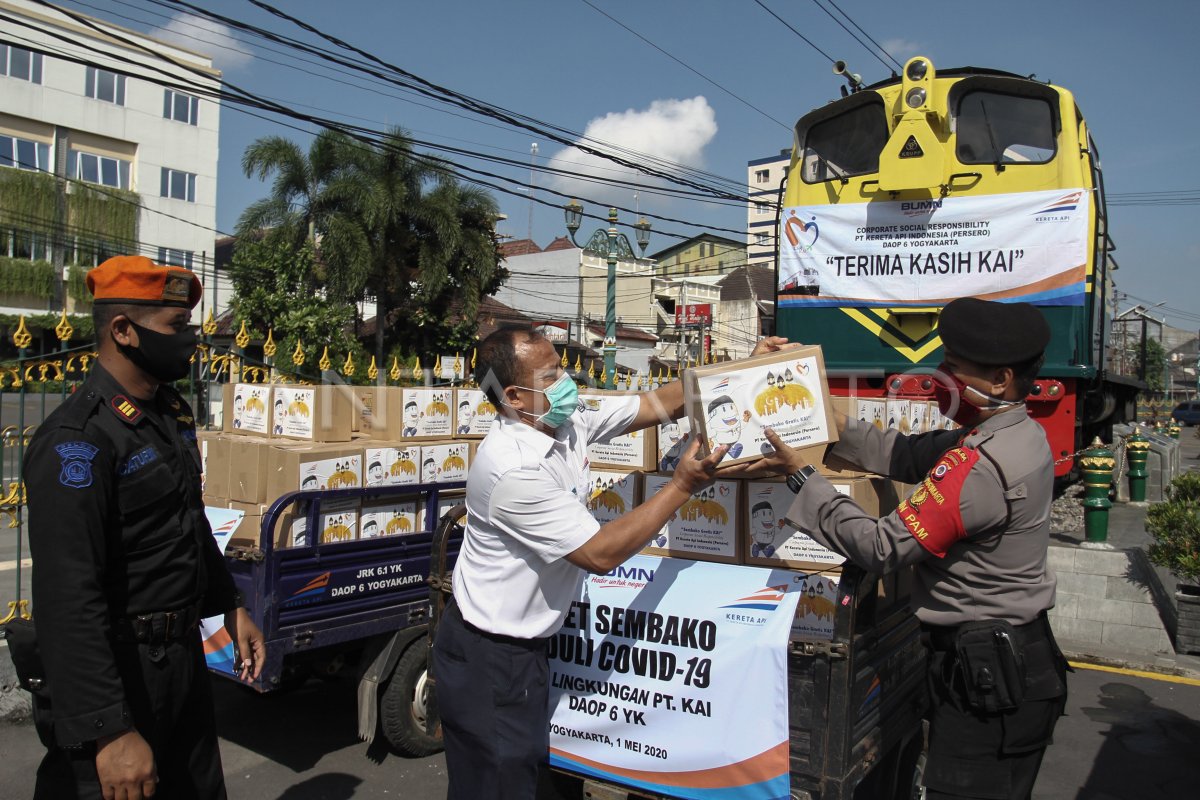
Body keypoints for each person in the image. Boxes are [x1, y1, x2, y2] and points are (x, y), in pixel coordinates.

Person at [432, 327, 789, 800]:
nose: (567, 382)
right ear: (515, 396)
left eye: (561, 367)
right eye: (551, 375)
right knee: (497, 785)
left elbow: (657, 404)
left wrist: (741, 369)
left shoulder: (565, 420)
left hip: (525, 651)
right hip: (491, 657)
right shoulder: (513, 469)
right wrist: (682, 486)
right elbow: (599, 554)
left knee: (521, 776)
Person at [735, 297, 1068, 800]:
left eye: (953, 367)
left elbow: (880, 546)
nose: (941, 378)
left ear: (1000, 379)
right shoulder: (1014, 432)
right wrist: (807, 401)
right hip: (998, 661)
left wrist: (799, 476)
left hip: (990, 678)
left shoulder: (982, 467)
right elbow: (903, 454)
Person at [23, 255, 265, 800]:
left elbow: (187, 523)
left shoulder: (166, 415)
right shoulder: (78, 441)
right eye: (175, 328)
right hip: (119, 675)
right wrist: (108, 730)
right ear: (123, 331)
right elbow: (67, 598)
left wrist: (230, 607)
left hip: (181, 661)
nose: (189, 341)